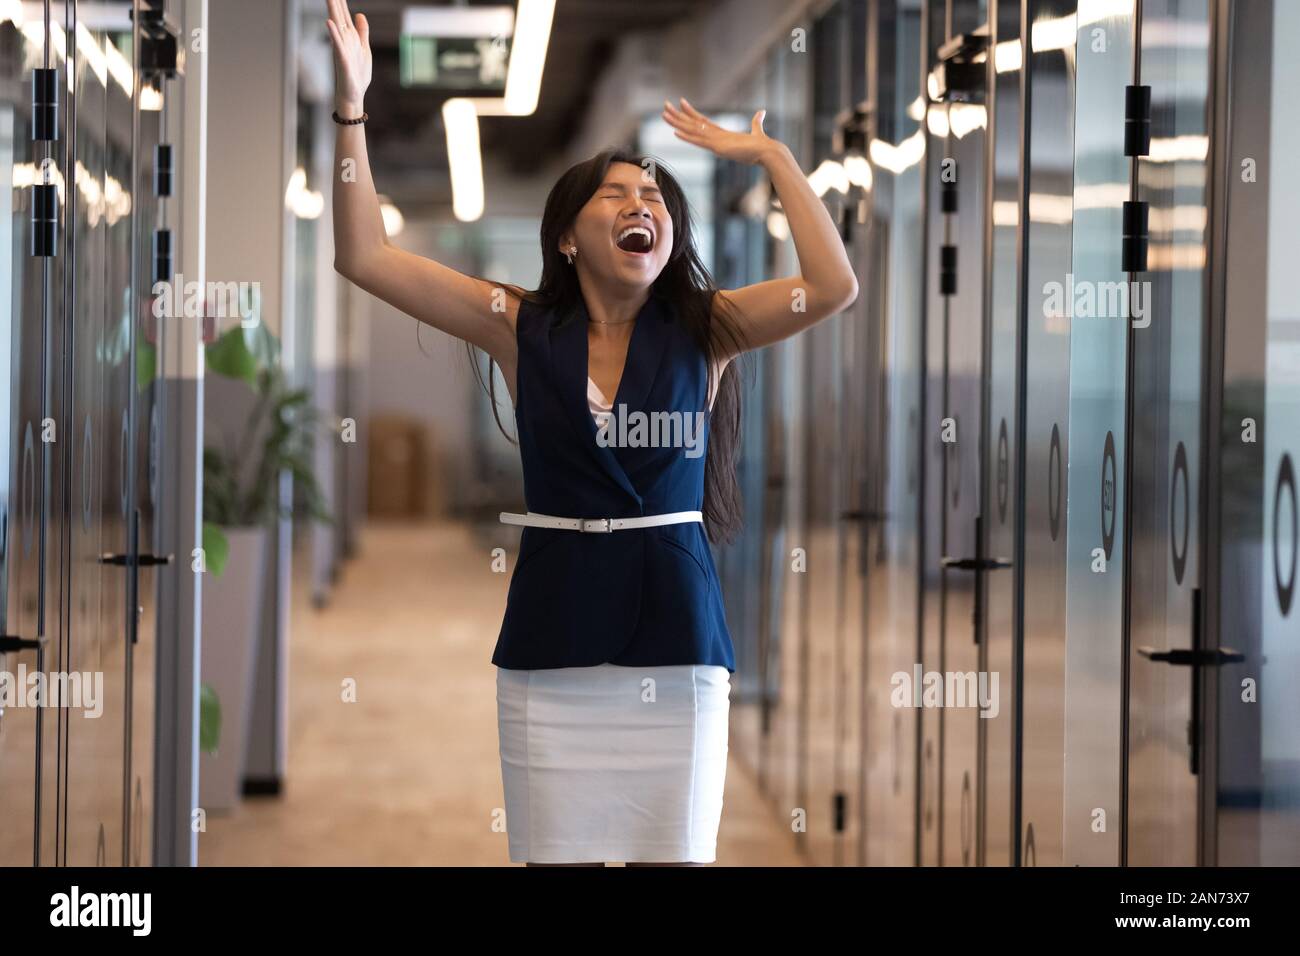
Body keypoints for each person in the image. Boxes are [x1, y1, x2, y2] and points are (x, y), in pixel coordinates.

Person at [326, 0, 857, 866]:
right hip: (552, 643)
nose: (639, 201)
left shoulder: (706, 329)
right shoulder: (518, 324)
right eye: (614, 194)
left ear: (669, 233)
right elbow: (365, 258)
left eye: (653, 195)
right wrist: (352, 111)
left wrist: (772, 157)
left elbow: (832, 286)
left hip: (678, 647)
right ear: (570, 237)